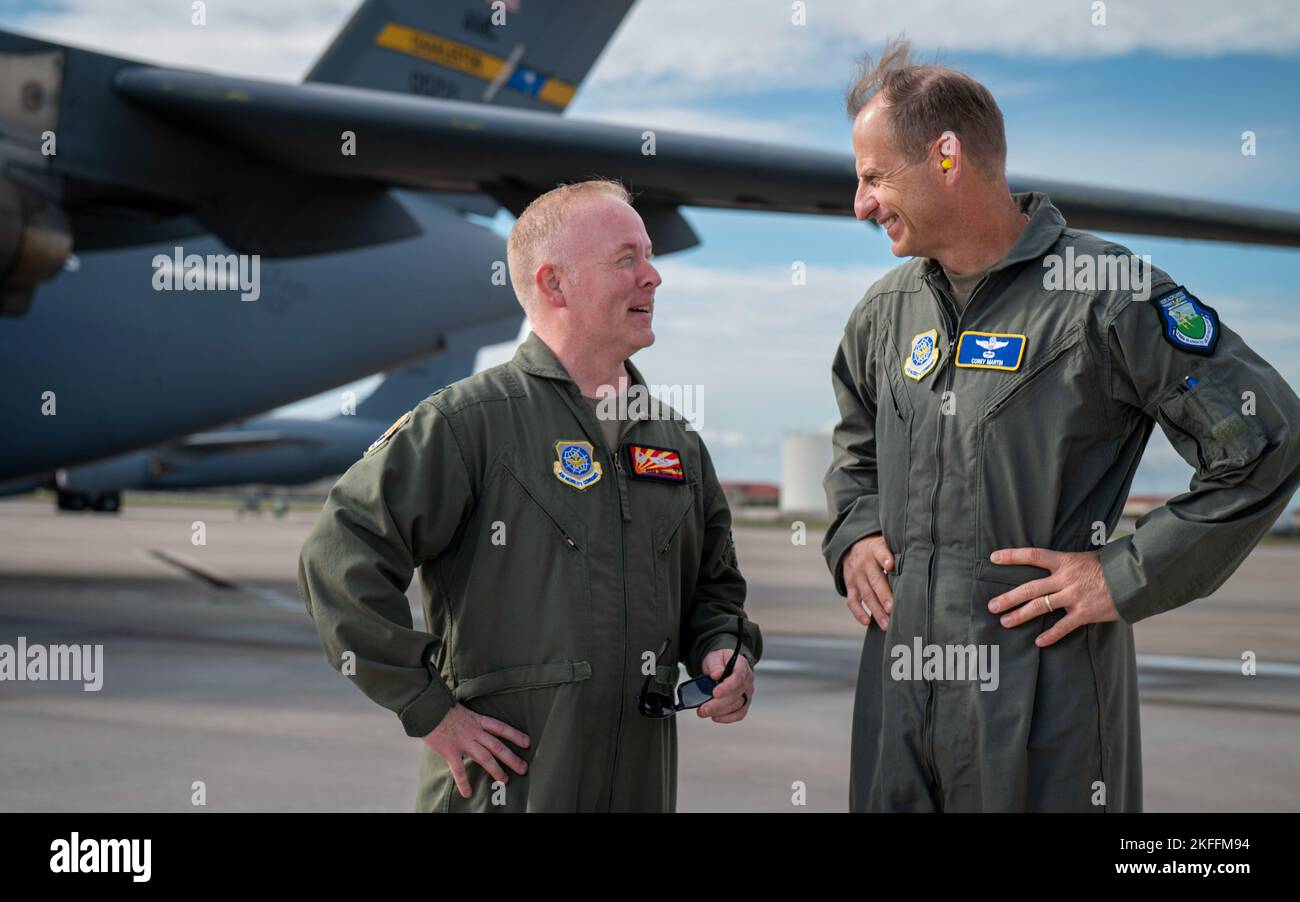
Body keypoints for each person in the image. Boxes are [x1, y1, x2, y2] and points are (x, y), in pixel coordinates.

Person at [822, 39, 1300, 812]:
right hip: (898, 709)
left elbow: (1267, 440)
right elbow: (856, 439)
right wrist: (855, 530)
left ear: (946, 156)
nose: (862, 203)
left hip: (1045, 711)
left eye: (875, 177)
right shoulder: (885, 313)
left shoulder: (1107, 296)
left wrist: (1121, 573)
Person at [297, 178, 760, 812]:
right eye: (627, 259)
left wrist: (723, 651)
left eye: (649, 256)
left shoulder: (676, 443)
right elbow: (337, 559)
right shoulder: (467, 423)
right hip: (508, 790)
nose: (653, 277)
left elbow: (715, 589)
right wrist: (429, 708)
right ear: (553, 284)